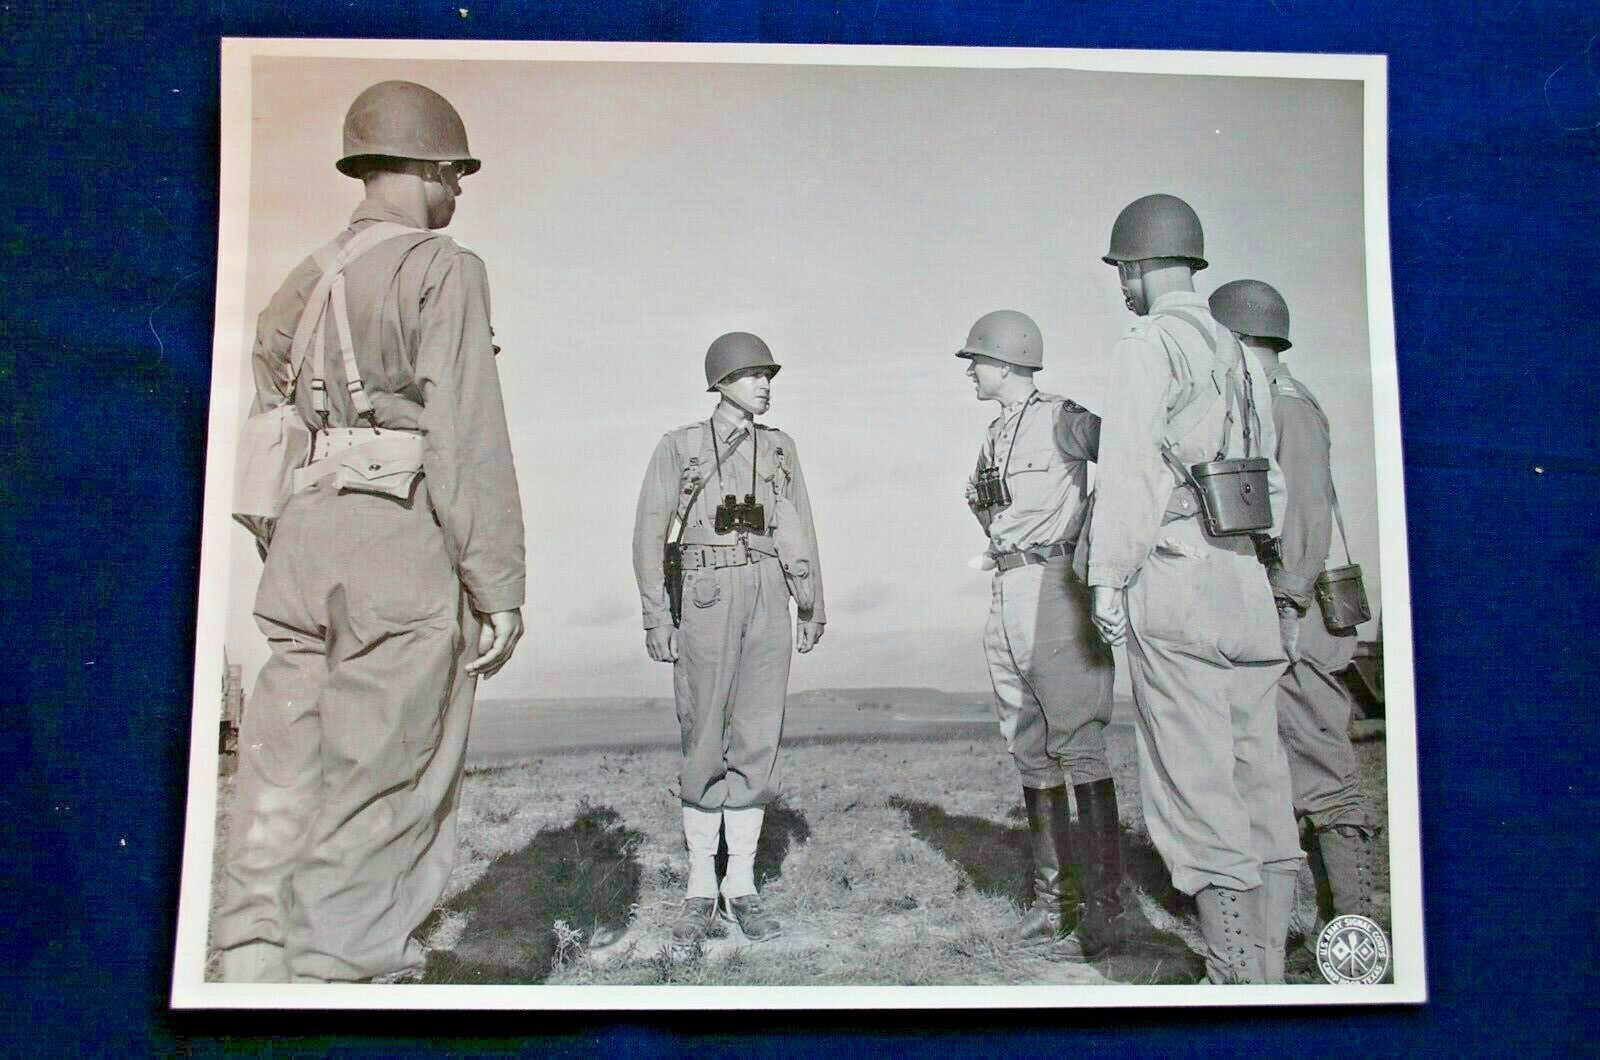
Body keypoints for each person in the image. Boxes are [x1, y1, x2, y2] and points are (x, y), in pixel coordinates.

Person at [215, 80, 526, 983]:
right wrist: (497, 585)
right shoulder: (444, 267)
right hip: (398, 543)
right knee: (384, 781)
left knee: (283, 772)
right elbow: (465, 434)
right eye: (455, 173)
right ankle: (340, 984)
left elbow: (267, 429)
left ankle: (250, 965)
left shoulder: (303, 280)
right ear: (430, 167)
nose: (458, 190)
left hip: (301, 544)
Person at [1081, 193, 1303, 984]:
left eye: (1123, 271)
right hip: (1244, 577)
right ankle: (1271, 970)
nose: (1123, 285)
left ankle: (1234, 976)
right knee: (1262, 782)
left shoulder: (1145, 346)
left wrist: (1108, 582)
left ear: (1138, 268)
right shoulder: (1244, 355)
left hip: (1175, 575)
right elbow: (1269, 482)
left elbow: (1132, 476)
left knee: (1195, 788)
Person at [631, 332, 825, 947]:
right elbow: (647, 536)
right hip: (705, 592)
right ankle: (698, 887)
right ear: (720, 382)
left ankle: (740, 885)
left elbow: (801, 527)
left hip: (769, 588)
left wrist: (812, 600)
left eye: (768, 375)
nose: (764, 384)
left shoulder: (780, 448)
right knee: (704, 732)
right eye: (751, 375)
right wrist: (656, 616)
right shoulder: (680, 447)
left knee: (758, 733)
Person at [1209, 279, 1379, 929]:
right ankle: (1327, 927)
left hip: (1301, 615)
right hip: (1287, 605)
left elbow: (1307, 517)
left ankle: (1355, 935)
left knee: (1324, 774)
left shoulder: (1287, 405)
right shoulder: (1264, 404)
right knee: (1291, 771)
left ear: (1239, 339)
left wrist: (1283, 604)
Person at [955, 310, 1125, 960]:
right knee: (1027, 744)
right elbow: (981, 502)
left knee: (1078, 742)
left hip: (1057, 584)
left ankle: (1106, 913)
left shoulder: (1062, 416)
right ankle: (1053, 905)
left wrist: (1092, 543)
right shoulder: (994, 435)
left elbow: (1128, 458)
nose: (971, 371)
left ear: (1006, 361)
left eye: (978, 360)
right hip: (1006, 586)